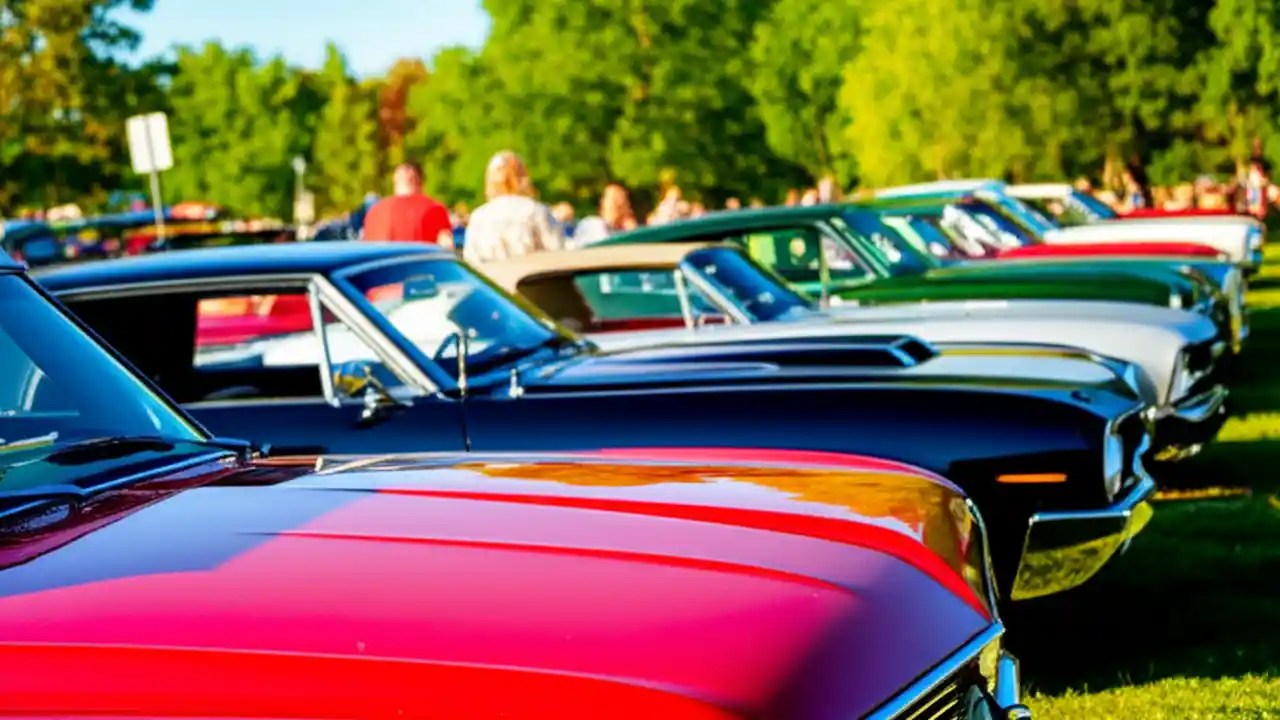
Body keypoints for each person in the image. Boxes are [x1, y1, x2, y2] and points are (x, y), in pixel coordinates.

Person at [462, 150, 565, 264]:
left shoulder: (479, 217)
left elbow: (471, 259)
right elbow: (558, 253)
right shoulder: (535, 211)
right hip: (531, 278)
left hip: (491, 279)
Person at [361, 163, 453, 246]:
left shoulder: (375, 212)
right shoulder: (434, 209)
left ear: (395, 182)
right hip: (419, 264)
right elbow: (447, 247)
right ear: (420, 183)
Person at [572, 183, 636, 248]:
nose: (619, 204)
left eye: (623, 201)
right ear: (603, 203)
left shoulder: (625, 230)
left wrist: (632, 231)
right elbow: (604, 245)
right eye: (614, 200)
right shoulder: (592, 224)